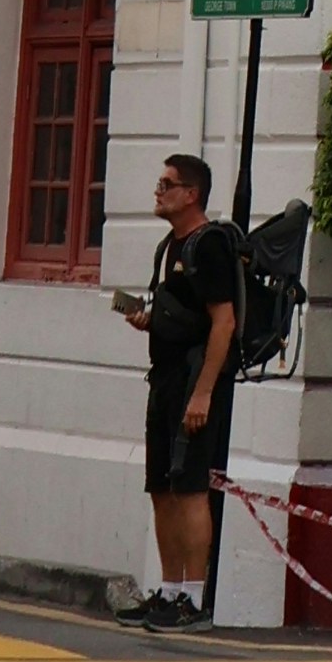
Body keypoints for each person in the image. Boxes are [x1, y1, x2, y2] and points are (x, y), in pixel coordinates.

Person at [111, 149, 240, 625]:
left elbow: (223, 323)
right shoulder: (169, 247)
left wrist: (204, 391)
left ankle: (192, 597)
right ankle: (167, 590)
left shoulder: (209, 246)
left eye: (167, 185)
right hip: (163, 377)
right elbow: (178, 313)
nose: (158, 192)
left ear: (192, 194)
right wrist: (148, 321)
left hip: (193, 380)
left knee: (189, 488)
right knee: (161, 487)